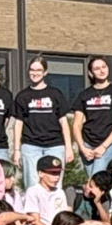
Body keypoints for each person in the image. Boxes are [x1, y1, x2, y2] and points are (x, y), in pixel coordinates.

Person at [11, 57, 74, 191]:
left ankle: (54, 212)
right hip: (30, 145)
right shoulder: (23, 96)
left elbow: (64, 121)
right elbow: (18, 123)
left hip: (55, 145)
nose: (35, 73)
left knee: (55, 184)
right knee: (33, 185)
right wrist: (17, 150)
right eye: (32, 70)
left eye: (39, 70)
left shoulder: (55, 94)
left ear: (45, 72)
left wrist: (68, 147)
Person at [71, 56, 112, 175]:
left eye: (104, 67)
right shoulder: (84, 95)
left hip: (108, 141)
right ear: (91, 73)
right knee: (94, 180)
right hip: (87, 143)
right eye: (97, 68)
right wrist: (82, 147)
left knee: (97, 177)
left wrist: (104, 146)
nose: (101, 71)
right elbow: (76, 125)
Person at [16, 155, 70, 225]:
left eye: (58, 173)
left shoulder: (60, 192)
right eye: (53, 173)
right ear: (40, 173)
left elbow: (64, 216)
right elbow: (35, 222)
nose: (57, 177)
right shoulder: (33, 191)